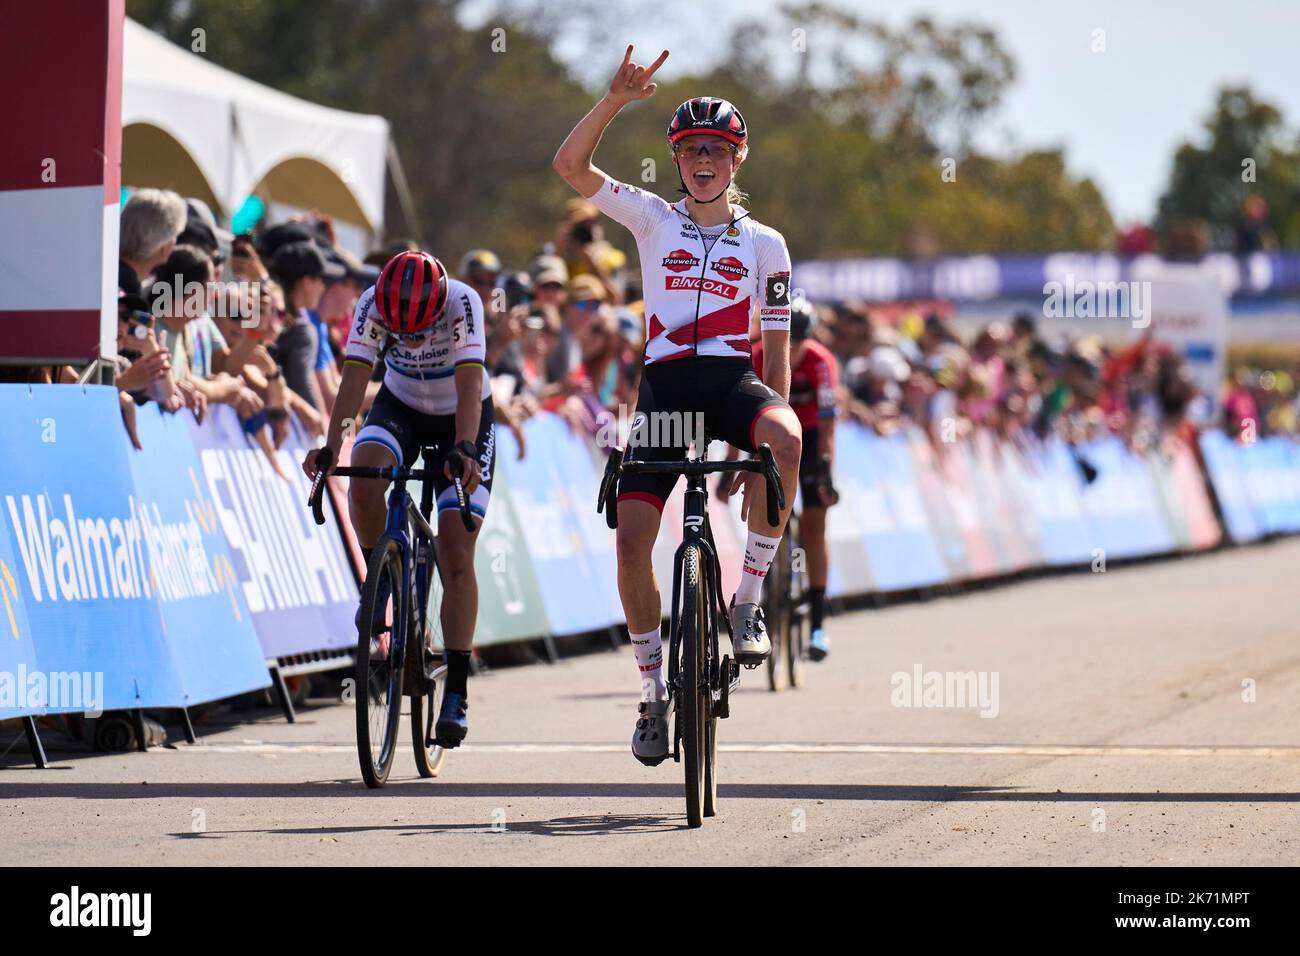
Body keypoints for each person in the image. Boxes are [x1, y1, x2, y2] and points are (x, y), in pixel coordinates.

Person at [553, 46, 803, 766]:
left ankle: (747, 601)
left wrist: (762, 459)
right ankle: (652, 692)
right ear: (676, 158)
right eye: (691, 149)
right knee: (632, 540)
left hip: (730, 386)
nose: (703, 160)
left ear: (737, 159)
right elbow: (570, 167)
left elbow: (776, 350)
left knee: (789, 437)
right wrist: (612, 101)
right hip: (665, 393)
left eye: (716, 149)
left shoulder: (767, 245)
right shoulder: (652, 219)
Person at [302, 251, 494, 747]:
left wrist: (464, 448)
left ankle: (456, 688)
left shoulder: (463, 302)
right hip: (401, 404)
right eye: (399, 334)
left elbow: (470, 385)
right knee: (364, 478)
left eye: (418, 332)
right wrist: (331, 445)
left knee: (456, 553)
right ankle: (381, 577)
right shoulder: (371, 303)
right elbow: (352, 382)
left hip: (461, 415)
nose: (408, 341)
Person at [741, 298, 839, 660]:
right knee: (767, 512)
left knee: (814, 526)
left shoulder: (821, 362)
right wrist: (738, 461)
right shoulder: (757, 355)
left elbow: (828, 424)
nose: (792, 350)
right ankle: (761, 592)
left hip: (810, 439)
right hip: (771, 439)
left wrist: (826, 468)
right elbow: (742, 419)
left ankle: (817, 624)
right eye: (788, 341)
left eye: (799, 343)